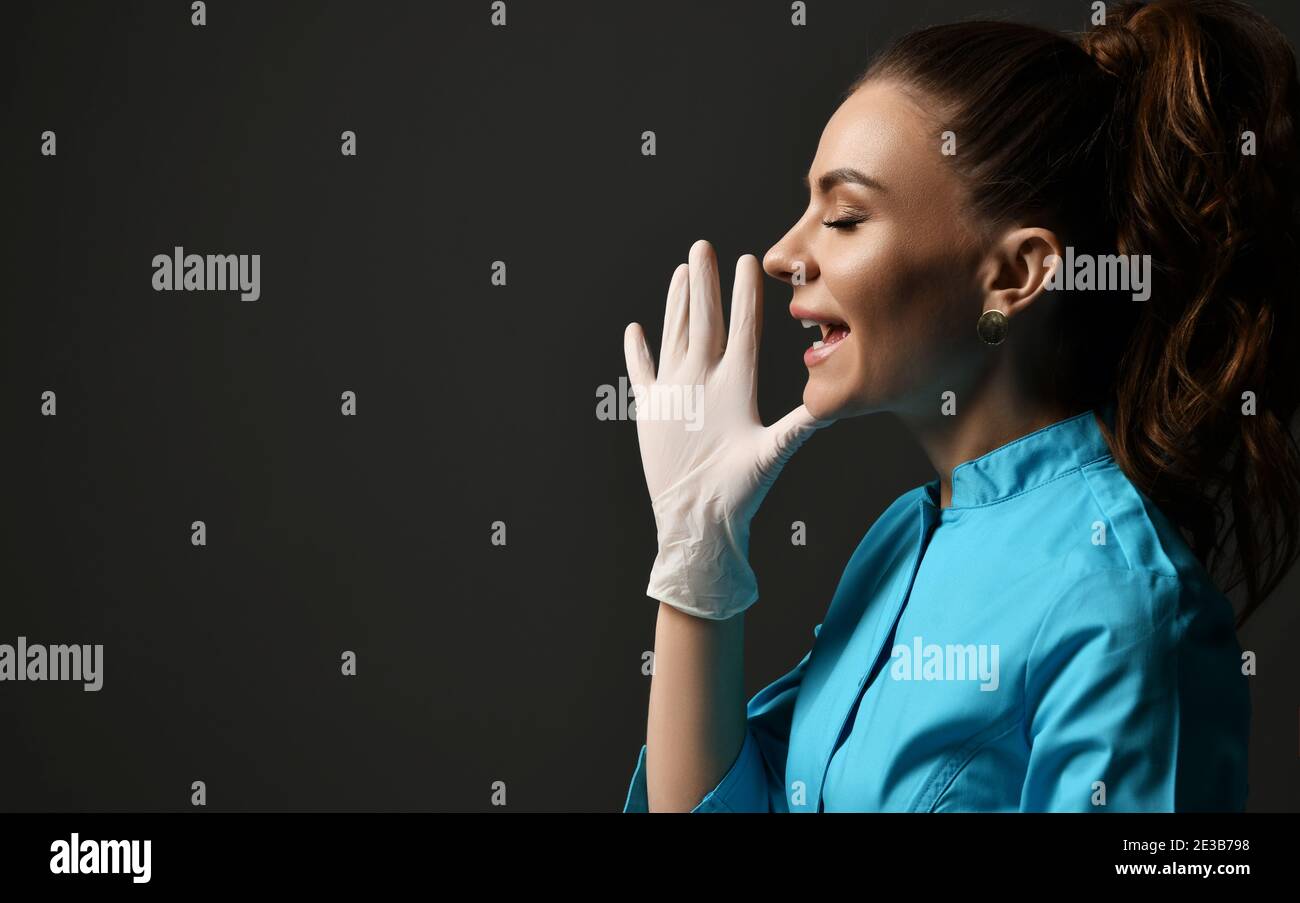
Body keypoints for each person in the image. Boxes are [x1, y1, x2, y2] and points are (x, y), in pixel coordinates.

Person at [619, 0, 1300, 812]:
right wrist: (698, 564)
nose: (782, 254)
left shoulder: (1126, 611)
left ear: (1016, 276)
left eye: (843, 217)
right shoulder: (902, 541)